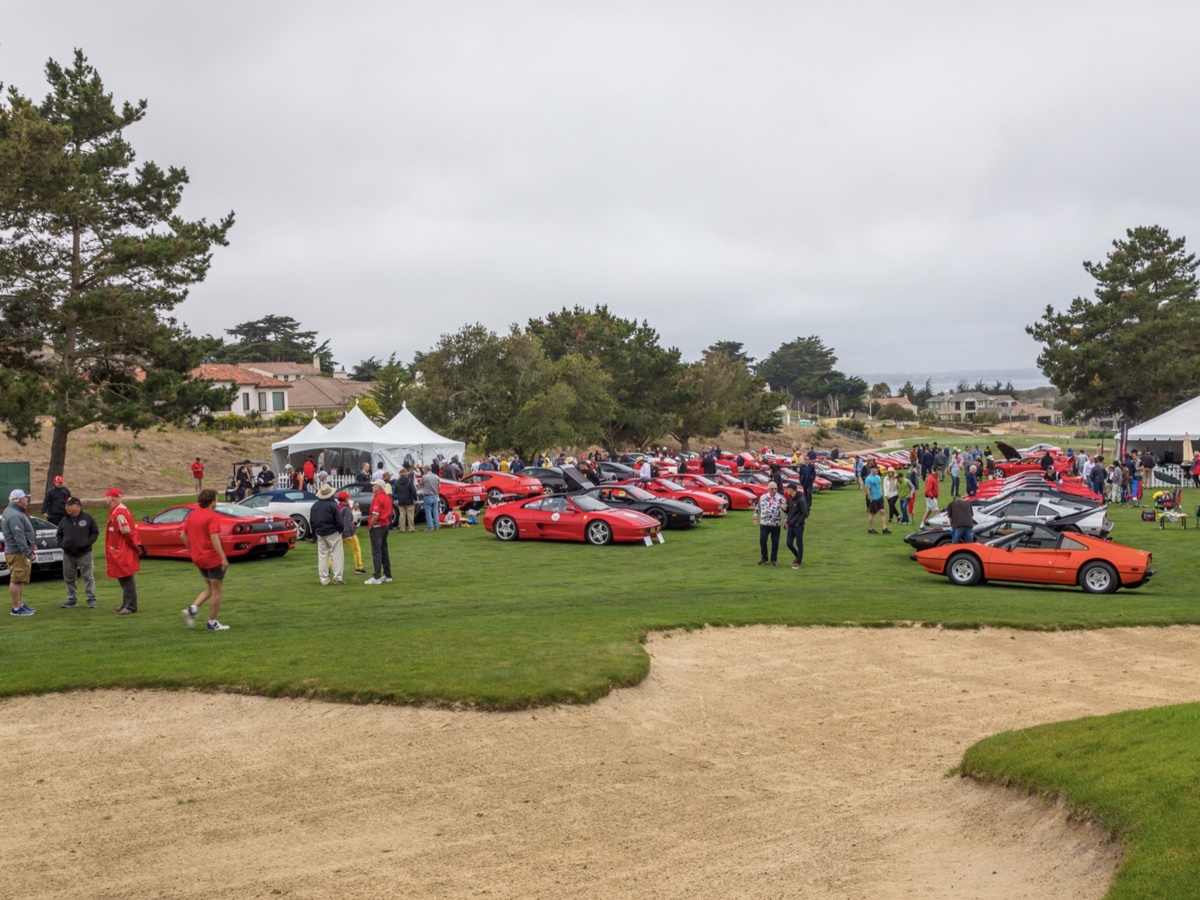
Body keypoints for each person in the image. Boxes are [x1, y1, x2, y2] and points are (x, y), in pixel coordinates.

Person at [179, 488, 231, 630]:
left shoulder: (192, 515)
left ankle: (192, 610)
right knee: (217, 590)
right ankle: (212, 623)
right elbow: (214, 537)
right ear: (211, 501)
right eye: (216, 498)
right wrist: (223, 557)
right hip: (211, 558)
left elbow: (183, 535)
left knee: (210, 587)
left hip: (198, 558)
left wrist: (192, 550)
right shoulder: (212, 516)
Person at [56, 496, 98, 609]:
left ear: (77, 506)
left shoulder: (87, 518)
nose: (66, 508)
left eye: (69, 505)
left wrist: (87, 543)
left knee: (88, 576)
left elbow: (95, 532)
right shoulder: (64, 520)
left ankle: (91, 599)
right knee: (69, 577)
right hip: (68, 554)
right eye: (66, 506)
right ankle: (72, 599)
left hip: (84, 554)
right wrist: (62, 544)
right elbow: (59, 534)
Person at [104, 487, 140, 615]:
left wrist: (134, 546)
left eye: (107, 496)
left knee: (126, 578)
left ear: (111, 498)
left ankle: (130, 606)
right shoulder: (119, 511)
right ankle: (126, 604)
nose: (105, 498)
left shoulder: (119, 514)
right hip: (121, 550)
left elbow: (126, 532)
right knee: (123, 578)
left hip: (122, 551)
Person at [3, 489, 37, 617]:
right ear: (20, 500)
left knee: (20, 578)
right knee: (16, 579)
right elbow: (19, 536)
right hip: (17, 553)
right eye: (25, 497)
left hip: (19, 552)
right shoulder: (14, 515)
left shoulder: (14, 511)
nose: (27, 499)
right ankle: (16, 608)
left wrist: (31, 544)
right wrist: (28, 552)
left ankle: (20, 604)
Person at [310, 484, 344, 586]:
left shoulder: (315, 505)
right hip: (333, 532)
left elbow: (312, 521)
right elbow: (339, 521)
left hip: (320, 532)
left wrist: (314, 533)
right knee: (337, 555)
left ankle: (323, 579)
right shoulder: (333, 505)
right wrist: (340, 530)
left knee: (322, 556)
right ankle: (338, 577)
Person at [364, 480, 393, 585]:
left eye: (374, 485)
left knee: (376, 552)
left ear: (379, 487)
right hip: (385, 525)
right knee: (384, 550)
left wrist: (371, 525)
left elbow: (375, 515)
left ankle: (377, 576)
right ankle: (387, 574)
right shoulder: (386, 497)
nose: (372, 487)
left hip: (378, 526)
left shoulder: (378, 498)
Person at [753, 482, 785, 566]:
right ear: (768, 489)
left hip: (776, 523)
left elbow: (787, 510)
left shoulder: (781, 498)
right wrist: (755, 517)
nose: (774, 490)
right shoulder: (763, 497)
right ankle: (764, 558)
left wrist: (786, 520)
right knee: (762, 540)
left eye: (776, 489)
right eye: (772, 489)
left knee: (775, 542)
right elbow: (757, 508)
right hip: (764, 522)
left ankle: (773, 559)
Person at [336, 490, 365, 574]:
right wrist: (348, 534)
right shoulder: (346, 509)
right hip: (350, 533)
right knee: (356, 549)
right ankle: (359, 567)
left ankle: (329, 566)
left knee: (336, 551)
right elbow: (347, 522)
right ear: (345, 499)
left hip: (340, 533)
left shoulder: (338, 507)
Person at [783, 482, 809, 569]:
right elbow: (790, 512)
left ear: (792, 489)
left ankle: (798, 563)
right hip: (791, 525)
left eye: (788, 488)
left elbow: (805, 513)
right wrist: (785, 510)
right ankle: (799, 557)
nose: (786, 490)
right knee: (789, 543)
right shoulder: (790, 499)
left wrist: (798, 523)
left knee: (799, 543)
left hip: (798, 526)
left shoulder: (801, 499)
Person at [864, 464, 889, 534]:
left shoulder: (878, 477)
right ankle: (870, 529)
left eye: (877, 469)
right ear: (872, 469)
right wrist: (871, 499)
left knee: (882, 512)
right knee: (872, 514)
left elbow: (879, 486)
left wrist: (882, 494)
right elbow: (867, 489)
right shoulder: (868, 479)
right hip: (873, 499)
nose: (877, 470)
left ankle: (884, 528)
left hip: (879, 497)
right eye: (875, 468)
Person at [393, 468, 418, 533]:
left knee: (402, 515)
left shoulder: (396, 482)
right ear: (406, 474)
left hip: (401, 500)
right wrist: (415, 499)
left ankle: (402, 528)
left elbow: (395, 492)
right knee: (410, 515)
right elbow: (413, 491)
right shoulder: (410, 481)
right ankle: (411, 528)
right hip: (409, 500)